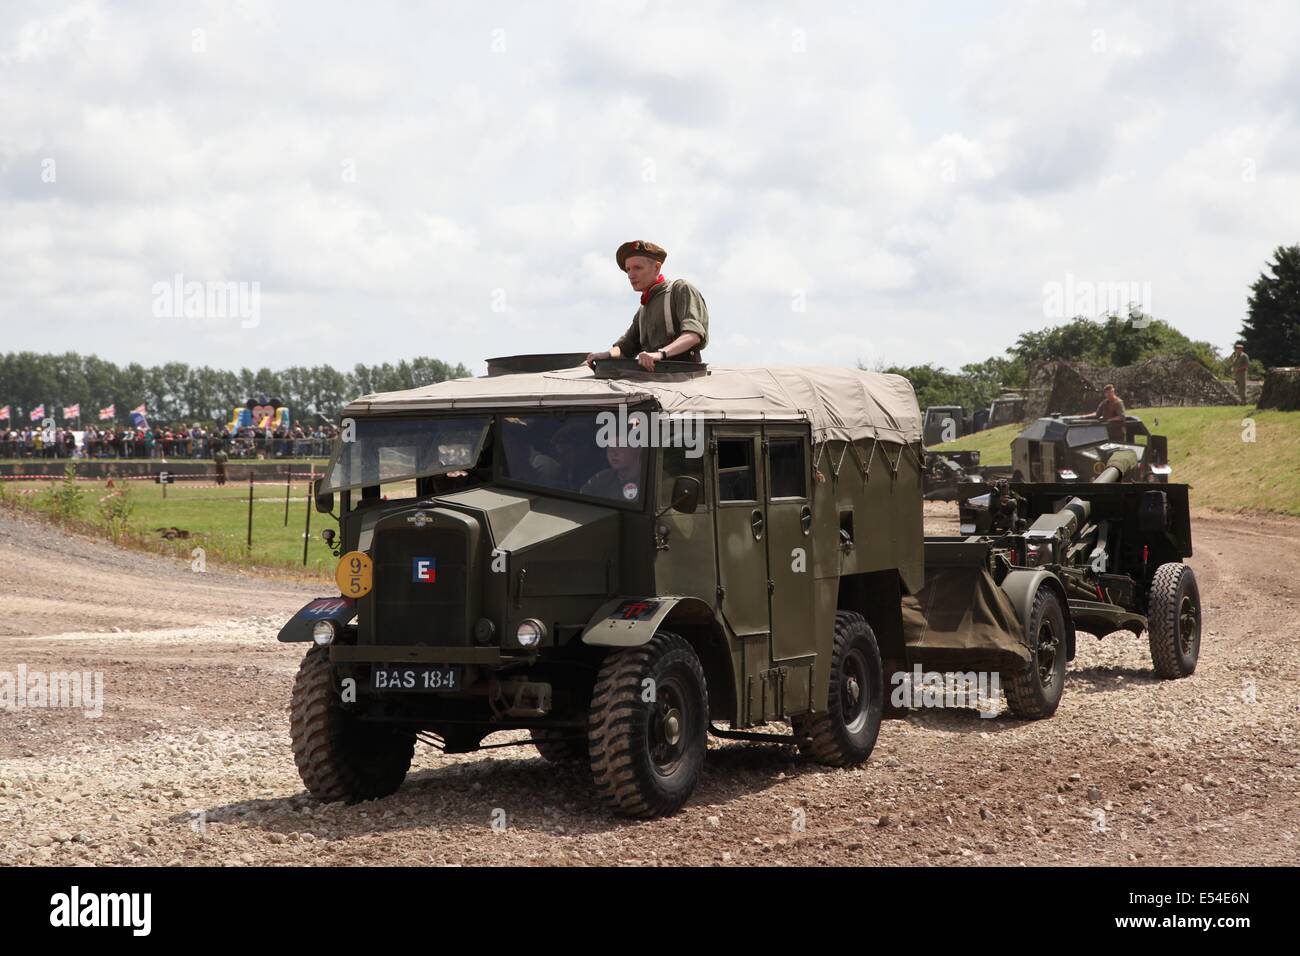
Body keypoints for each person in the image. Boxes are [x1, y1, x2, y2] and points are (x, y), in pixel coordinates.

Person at [585, 240, 709, 371]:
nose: (630, 275)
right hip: (652, 379)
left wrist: (660, 354)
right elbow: (626, 347)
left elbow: (693, 335)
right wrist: (606, 355)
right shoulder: (643, 309)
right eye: (628, 269)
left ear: (656, 267)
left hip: (682, 376)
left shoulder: (679, 289)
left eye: (637, 268)